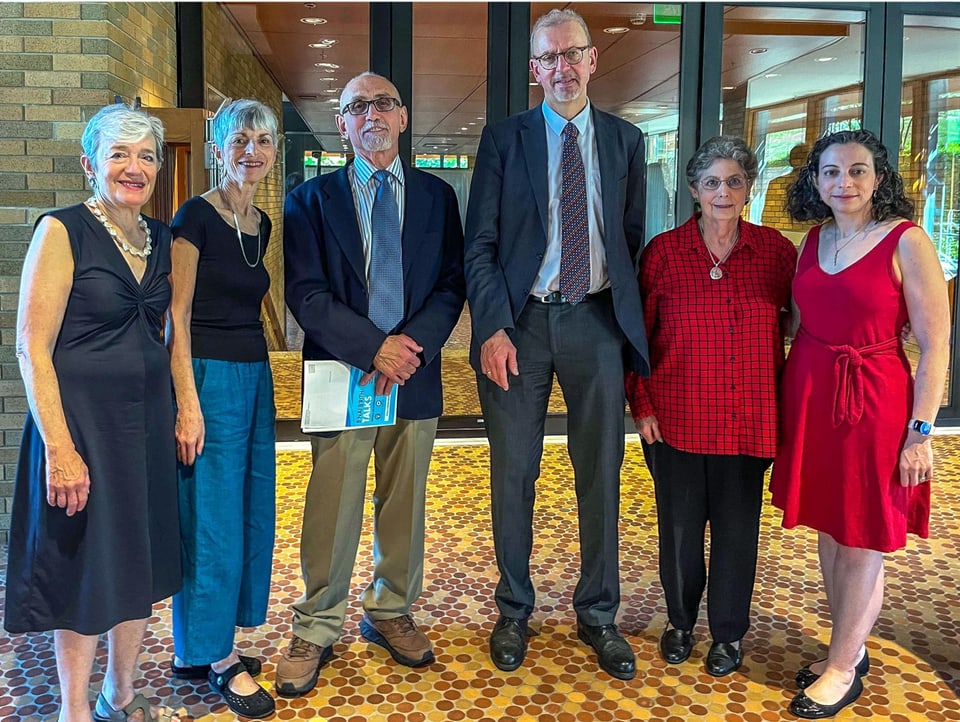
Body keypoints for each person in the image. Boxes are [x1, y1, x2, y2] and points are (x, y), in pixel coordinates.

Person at [464, 8, 648, 681]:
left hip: (597, 323)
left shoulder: (627, 143)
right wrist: (491, 327)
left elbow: (628, 243)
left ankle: (599, 612)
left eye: (572, 54)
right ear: (535, 69)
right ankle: (513, 608)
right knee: (514, 473)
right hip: (522, 326)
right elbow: (478, 245)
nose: (561, 68)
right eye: (548, 58)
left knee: (600, 472)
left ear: (593, 60)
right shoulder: (503, 141)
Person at [279, 71, 466, 697]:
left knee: (404, 499)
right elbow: (305, 293)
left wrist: (406, 351)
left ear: (404, 118)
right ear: (343, 124)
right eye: (358, 106)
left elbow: (451, 284)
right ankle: (317, 622)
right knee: (333, 501)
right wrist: (373, 348)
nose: (372, 116)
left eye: (383, 104)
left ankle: (390, 609)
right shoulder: (310, 199)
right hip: (343, 368)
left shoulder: (439, 198)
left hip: (412, 370)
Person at [4, 103, 181, 722]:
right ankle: (73, 710)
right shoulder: (62, 230)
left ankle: (121, 693)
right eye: (119, 154)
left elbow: (167, 334)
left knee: (138, 562)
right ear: (90, 164)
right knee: (85, 570)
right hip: (82, 431)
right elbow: (31, 345)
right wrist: (59, 446)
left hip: (145, 429)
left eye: (147, 156)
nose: (135, 167)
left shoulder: (157, 238)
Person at [770, 129, 950, 719]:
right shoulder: (812, 240)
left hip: (875, 403)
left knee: (863, 537)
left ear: (878, 179)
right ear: (814, 181)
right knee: (829, 527)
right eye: (830, 172)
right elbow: (798, 322)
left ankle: (843, 669)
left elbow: (936, 342)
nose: (842, 182)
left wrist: (921, 430)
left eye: (857, 171)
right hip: (814, 396)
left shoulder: (907, 240)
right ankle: (849, 644)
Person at [625, 136, 797, 677]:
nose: (723, 192)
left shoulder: (775, 253)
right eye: (712, 182)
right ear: (694, 190)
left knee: (737, 535)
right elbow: (638, 340)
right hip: (674, 421)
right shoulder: (664, 252)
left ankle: (728, 634)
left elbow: (807, 322)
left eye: (735, 181)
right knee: (678, 533)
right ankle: (679, 622)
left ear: (748, 188)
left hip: (748, 423)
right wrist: (642, 406)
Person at [167, 99, 279, 718]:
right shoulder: (194, 218)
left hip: (254, 375)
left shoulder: (259, 221)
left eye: (262, 140)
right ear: (217, 149)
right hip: (207, 376)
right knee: (210, 517)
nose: (251, 151)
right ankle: (216, 658)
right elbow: (175, 315)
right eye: (239, 140)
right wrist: (187, 400)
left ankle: (206, 642)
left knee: (249, 512)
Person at [761, 143, 811, 231]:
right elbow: (767, 219)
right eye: (797, 158)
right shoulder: (776, 184)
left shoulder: (815, 186)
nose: (798, 162)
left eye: (800, 158)